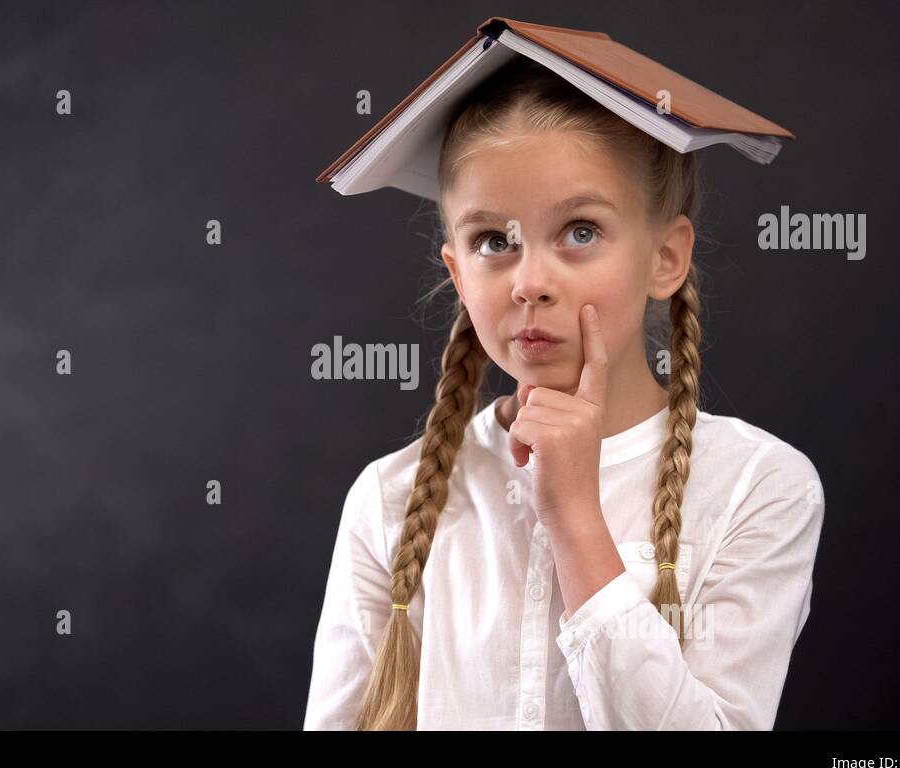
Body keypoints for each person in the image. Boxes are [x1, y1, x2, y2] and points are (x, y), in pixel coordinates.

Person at [304, 56, 825, 731]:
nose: (530, 282)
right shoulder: (388, 499)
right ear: (459, 275)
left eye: (580, 231)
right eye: (494, 240)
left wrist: (576, 517)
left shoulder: (760, 485)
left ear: (665, 257)